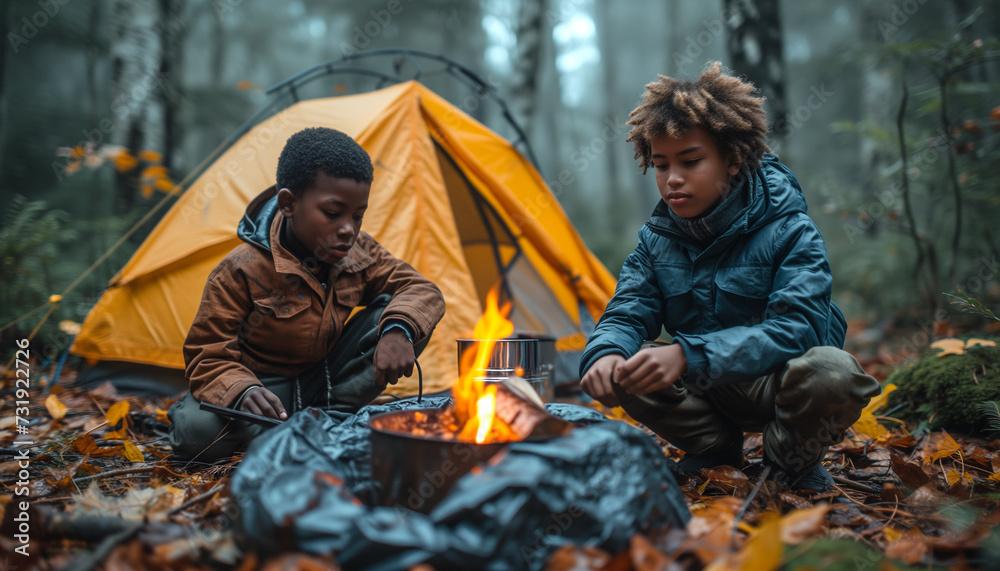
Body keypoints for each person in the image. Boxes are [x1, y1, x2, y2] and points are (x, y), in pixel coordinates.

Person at [579, 62, 880, 491]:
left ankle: (790, 463)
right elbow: (627, 312)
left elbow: (800, 329)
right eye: (661, 165)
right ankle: (714, 450)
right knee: (627, 361)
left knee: (834, 370)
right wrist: (604, 354)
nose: (673, 179)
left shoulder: (791, 231)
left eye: (691, 160)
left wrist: (687, 355)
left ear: (734, 159)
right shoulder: (655, 240)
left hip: (779, 386)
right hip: (705, 392)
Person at [169, 127, 445, 462]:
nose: (348, 229)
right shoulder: (240, 270)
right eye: (333, 213)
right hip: (263, 392)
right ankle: (299, 426)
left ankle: (330, 417)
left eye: (358, 215)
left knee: (397, 313)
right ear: (288, 203)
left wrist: (399, 329)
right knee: (196, 434)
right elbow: (206, 354)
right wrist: (243, 391)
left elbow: (421, 289)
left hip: (328, 385)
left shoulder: (358, 252)